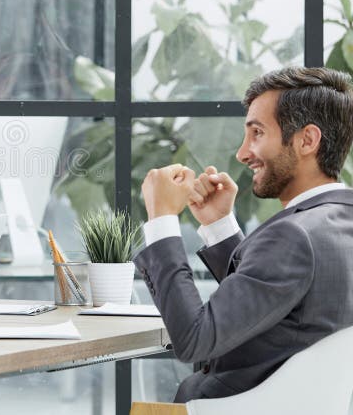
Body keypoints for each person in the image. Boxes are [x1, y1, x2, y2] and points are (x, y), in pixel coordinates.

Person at [136, 66, 353, 401]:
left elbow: (195, 340)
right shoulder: (337, 223)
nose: (242, 153)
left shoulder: (294, 237)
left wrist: (162, 218)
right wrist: (218, 224)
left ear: (307, 140)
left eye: (258, 133)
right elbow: (280, 305)